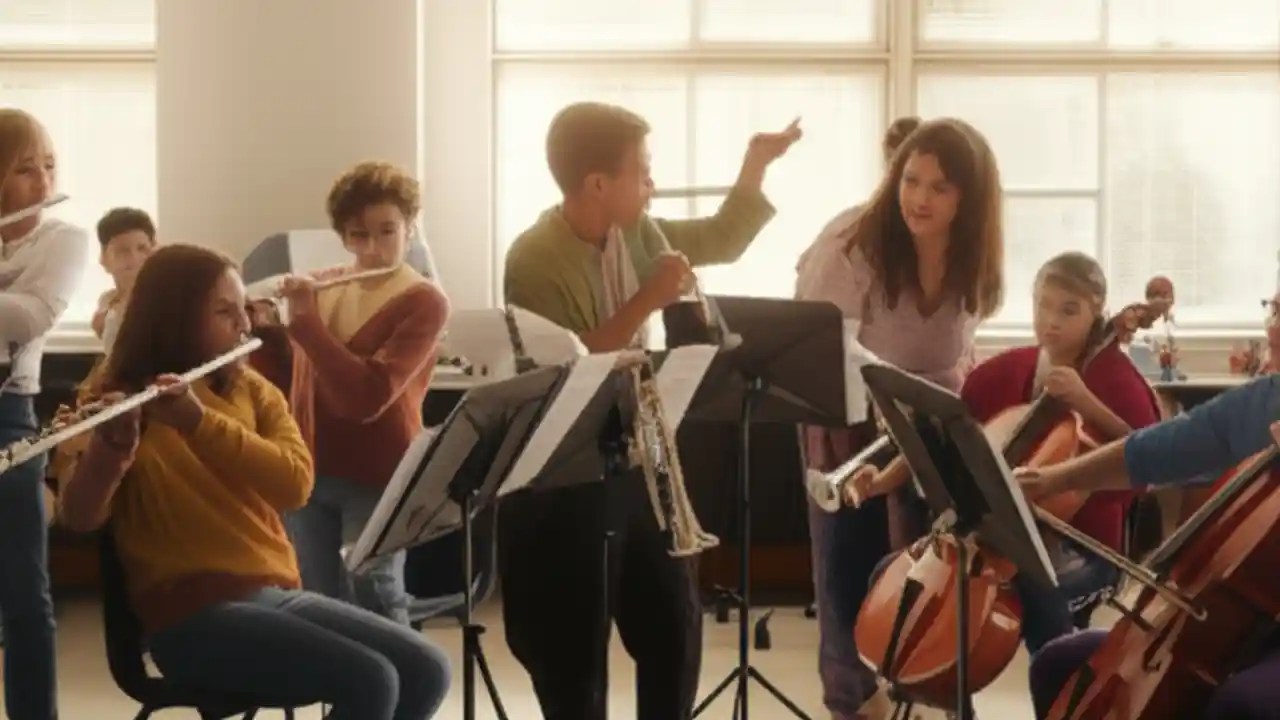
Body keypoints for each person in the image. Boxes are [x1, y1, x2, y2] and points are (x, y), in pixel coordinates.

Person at [58, 244, 450, 720]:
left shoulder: (252, 388)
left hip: (274, 592)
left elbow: (295, 485)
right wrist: (110, 449)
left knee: (427, 669)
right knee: (371, 679)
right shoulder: (111, 393)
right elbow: (80, 516)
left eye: (243, 309)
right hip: (187, 616)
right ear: (174, 320)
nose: (244, 326)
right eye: (224, 313)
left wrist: (199, 423)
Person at [501, 101, 801, 719]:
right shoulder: (532, 257)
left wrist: (754, 167)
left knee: (674, 627)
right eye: (642, 170)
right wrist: (649, 298)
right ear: (598, 184)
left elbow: (721, 238)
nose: (652, 182)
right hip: (569, 471)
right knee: (573, 653)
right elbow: (572, 368)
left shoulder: (636, 230)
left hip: (642, 455)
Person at [796, 117, 1004, 720]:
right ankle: (852, 707)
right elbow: (822, 343)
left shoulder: (974, 259)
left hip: (926, 424)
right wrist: (897, 401)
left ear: (970, 197)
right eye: (911, 180)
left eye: (940, 187)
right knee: (845, 578)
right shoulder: (852, 240)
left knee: (932, 578)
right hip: (844, 412)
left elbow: (958, 355)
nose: (919, 198)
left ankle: (935, 692)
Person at [851, 252, 1160, 657]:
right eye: (1043, 305)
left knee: (1035, 592)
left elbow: (1151, 461)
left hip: (1082, 545)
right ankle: (947, 697)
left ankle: (1057, 686)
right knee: (893, 573)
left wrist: (1085, 402)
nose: (1051, 320)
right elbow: (947, 440)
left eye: (1069, 311)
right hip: (992, 537)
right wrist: (881, 480)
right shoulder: (1006, 370)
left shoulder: (1118, 380)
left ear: (1096, 312)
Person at [250, 161, 449, 625]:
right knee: (319, 600)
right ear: (343, 236)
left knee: (373, 589)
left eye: (388, 231)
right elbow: (292, 375)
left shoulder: (425, 301)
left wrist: (304, 324)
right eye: (359, 235)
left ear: (410, 228)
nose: (375, 249)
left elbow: (367, 396)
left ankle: (407, 693)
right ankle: (347, 696)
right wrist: (263, 329)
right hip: (308, 467)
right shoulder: (318, 286)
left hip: (377, 473)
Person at [1017, 374, 1280, 719]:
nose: (1274, 327)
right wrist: (1055, 479)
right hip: (1229, 618)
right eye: (1274, 315)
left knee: (1244, 705)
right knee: (1059, 663)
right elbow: (1157, 450)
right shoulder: (1267, 397)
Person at [0, 107, 91, 720]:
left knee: (24, 592)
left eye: (48, 164)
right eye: (24, 167)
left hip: (10, 414)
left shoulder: (65, 238)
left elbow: (29, 317)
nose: (42, 178)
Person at [92, 206, 157, 353]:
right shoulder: (107, 301)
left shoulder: (161, 303)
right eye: (122, 250)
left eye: (142, 248)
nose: (134, 259)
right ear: (104, 258)